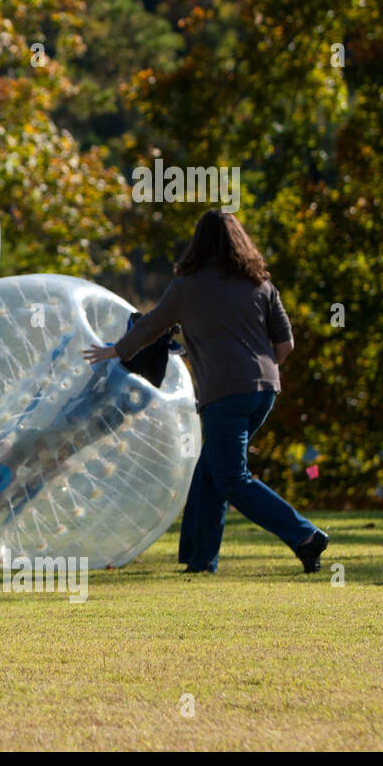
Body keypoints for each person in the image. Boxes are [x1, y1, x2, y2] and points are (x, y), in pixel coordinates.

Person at [82, 209, 328, 574]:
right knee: (210, 472)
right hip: (264, 390)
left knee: (232, 478)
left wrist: (116, 350)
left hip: (225, 393)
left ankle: (304, 535)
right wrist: (257, 368)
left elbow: (151, 325)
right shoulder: (261, 284)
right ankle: (200, 562)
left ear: (198, 243)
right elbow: (285, 344)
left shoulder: (187, 286)